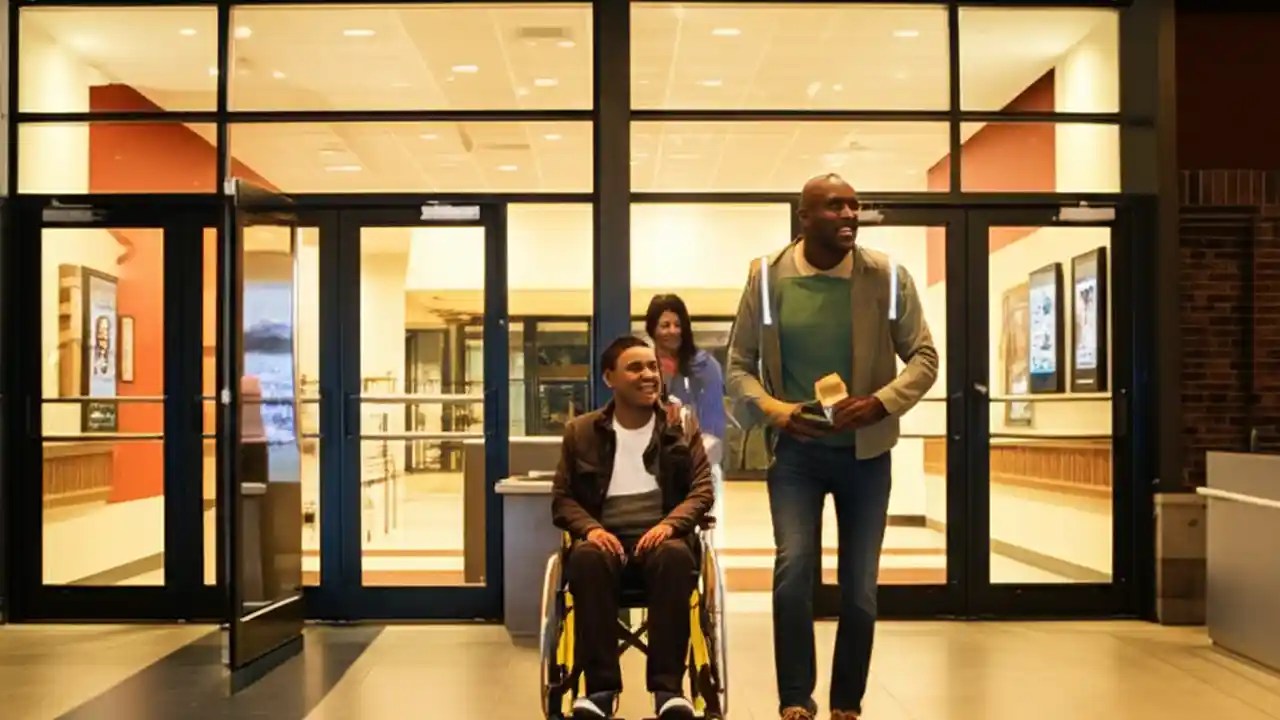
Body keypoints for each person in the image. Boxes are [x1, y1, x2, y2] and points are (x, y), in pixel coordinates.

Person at [725, 174, 938, 720]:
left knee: (859, 588)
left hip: (866, 456)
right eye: (834, 206)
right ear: (804, 217)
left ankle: (847, 702)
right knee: (794, 572)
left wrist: (883, 402)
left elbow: (923, 358)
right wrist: (778, 412)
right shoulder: (766, 278)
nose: (849, 214)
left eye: (854, 206)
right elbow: (740, 369)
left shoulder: (887, 276)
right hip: (795, 454)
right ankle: (796, 698)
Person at [552, 335, 715, 720]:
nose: (648, 375)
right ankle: (601, 691)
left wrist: (672, 524)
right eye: (635, 367)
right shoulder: (582, 432)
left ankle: (668, 692)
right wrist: (591, 529)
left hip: (663, 539)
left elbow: (702, 490)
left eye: (652, 367)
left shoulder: (679, 427)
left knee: (675, 557)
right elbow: (562, 499)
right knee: (587, 560)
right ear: (610, 377)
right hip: (604, 539)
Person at [644, 294, 728, 529]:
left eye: (678, 324)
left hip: (698, 466)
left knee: (696, 535)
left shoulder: (705, 367)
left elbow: (713, 426)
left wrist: (695, 465)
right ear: (652, 329)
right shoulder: (644, 366)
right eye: (665, 325)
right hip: (653, 470)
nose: (672, 331)